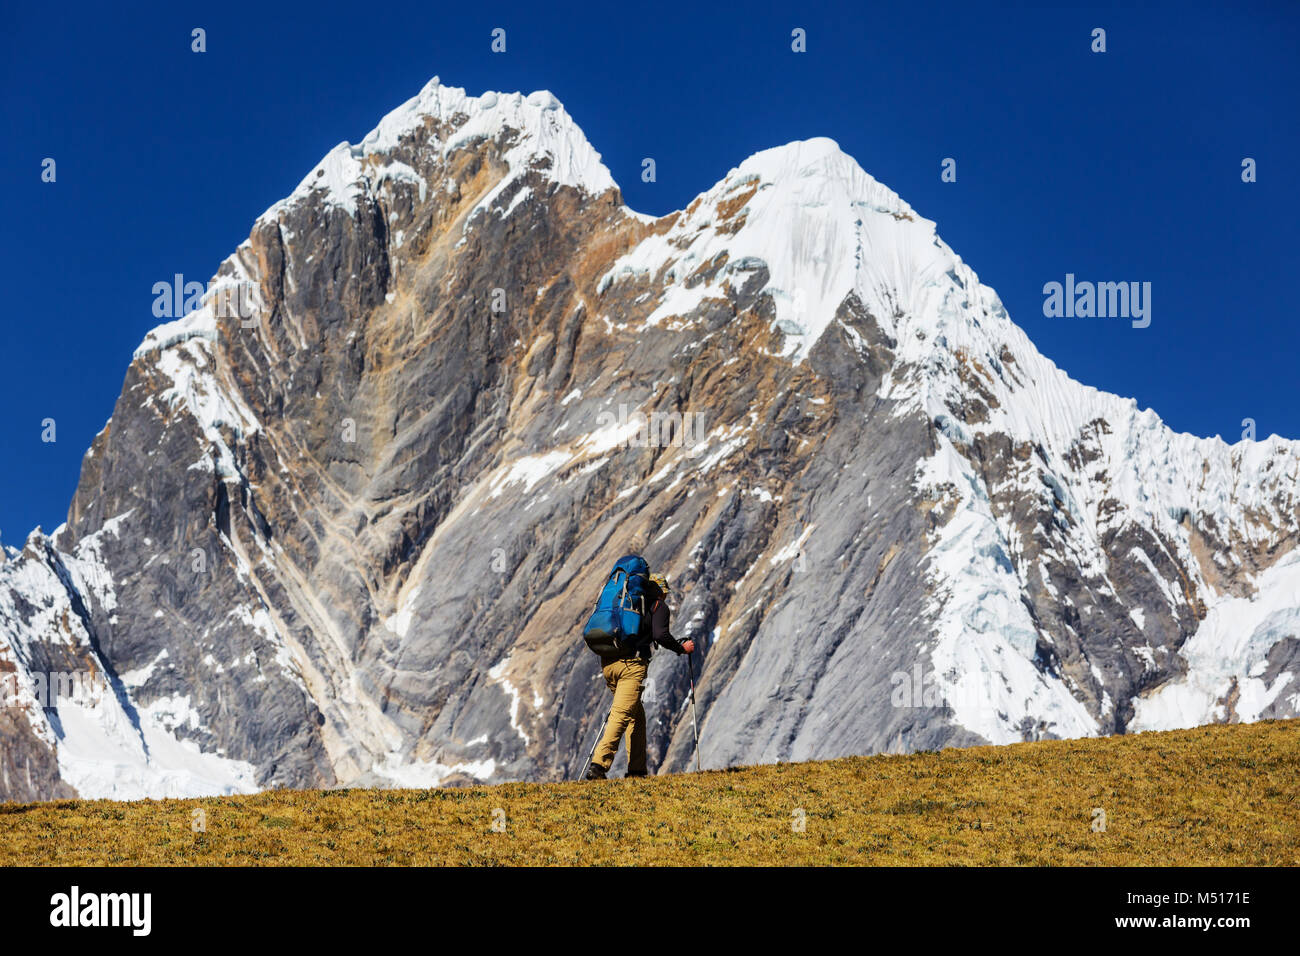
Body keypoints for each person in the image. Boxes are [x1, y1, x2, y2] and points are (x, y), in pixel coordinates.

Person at [585, 573, 694, 779]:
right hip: (631, 666)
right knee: (621, 714)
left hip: (609, 663)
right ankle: (599, 766)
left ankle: (637, 770)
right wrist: (681, 648)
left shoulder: (627, 603)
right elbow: (660, 635)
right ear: (661, 591)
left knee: (636, 716)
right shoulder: (657, 606)